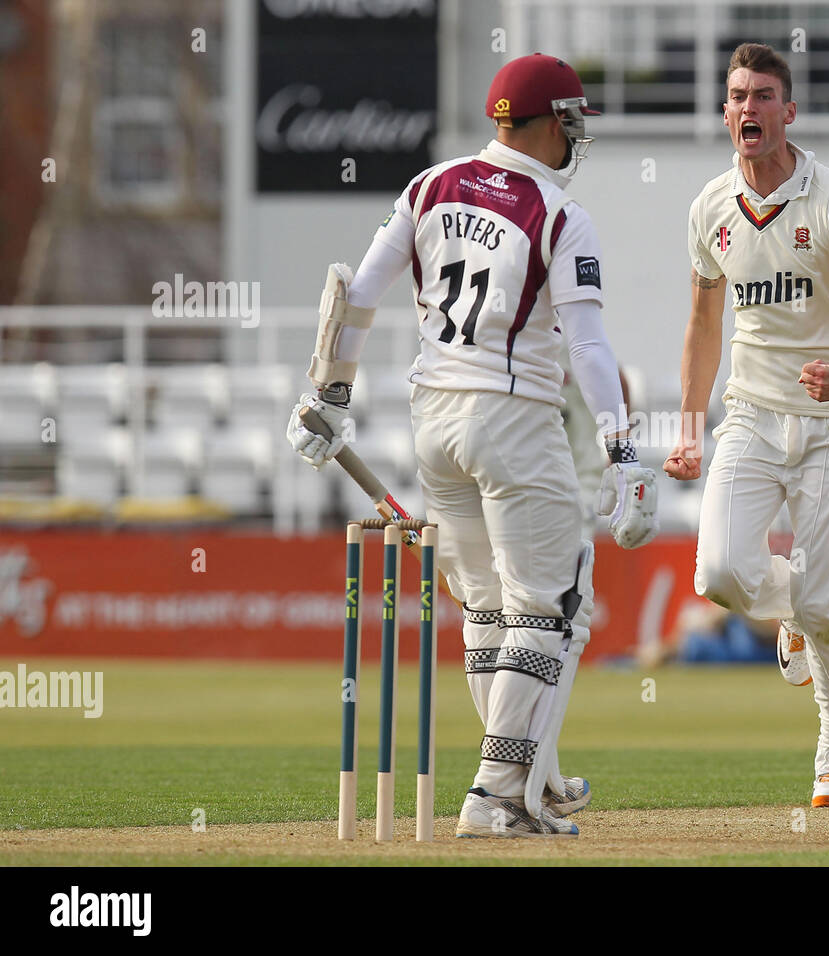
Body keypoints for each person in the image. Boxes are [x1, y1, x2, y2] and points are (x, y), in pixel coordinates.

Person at [287, 53, 658, 838]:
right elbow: (586, 346)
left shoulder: (430, 184)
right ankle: (496, 797)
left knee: (488, 610)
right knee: (548, 606)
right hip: (513, 419)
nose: (575, 137)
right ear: (550, 122)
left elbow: (355, 294)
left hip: (434, 423)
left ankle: (537, 774)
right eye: (572, 121)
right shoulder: (558, 212)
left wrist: (327, 394)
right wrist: (623, 449)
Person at [664, 43, 829, 809]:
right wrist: (688, 427)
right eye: (737, 96)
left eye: (763, 96)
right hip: (753, 416)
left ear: (788, 112)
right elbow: (705, 326)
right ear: (725, 111)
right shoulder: (710, 208)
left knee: (827, 594)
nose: (748, 108)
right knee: (720, 574)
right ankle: (789, 615)